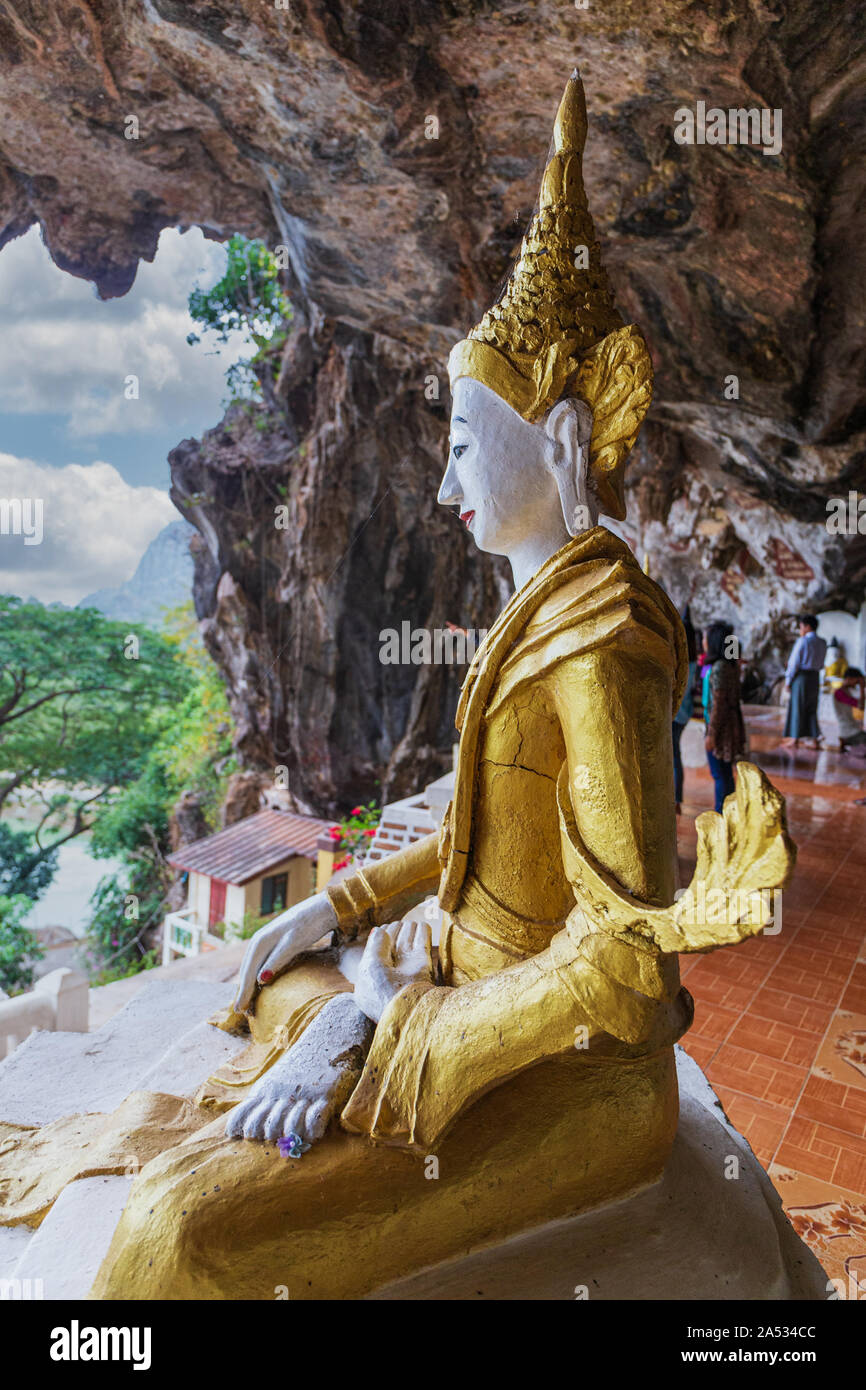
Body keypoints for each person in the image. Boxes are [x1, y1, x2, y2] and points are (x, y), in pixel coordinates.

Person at [703, 620, 746, 813]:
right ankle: (729, 813)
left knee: (719, 774)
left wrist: (711, 734)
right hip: (731, 723)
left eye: (705, 638)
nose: (703, 641)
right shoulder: (732, 665)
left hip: (721, 727)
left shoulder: (720, 667)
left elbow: (718, 704)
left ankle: (721, 814)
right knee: (726, 773)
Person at [782, 614, 828, 750]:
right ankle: (815, 739)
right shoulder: (822, 642)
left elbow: (793, 663)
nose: (800, 629)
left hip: (801, 677)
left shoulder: (803, 641)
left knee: (797, 707)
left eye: (801, 626)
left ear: (807, 627)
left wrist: (788, 681)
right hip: (815, 677)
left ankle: (794, 739)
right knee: (811, 708)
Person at [672, 605, 697, 814]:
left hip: (675, 712)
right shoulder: (695, 662)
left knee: (672, 755)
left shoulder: (678, 661)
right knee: (674, 753)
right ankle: (675, 798)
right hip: (685, 712)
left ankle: (675, 799)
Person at [833, 666, 866, 755]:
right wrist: (862, 688)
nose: (856, 684)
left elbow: (861, 706)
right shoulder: (839, 693)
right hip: (848, 731)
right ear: (849, 679)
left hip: (853, 729)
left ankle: (848, 743)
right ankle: (846, 741)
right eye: (856, 681)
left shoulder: (847, 692)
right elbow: (860, 706)